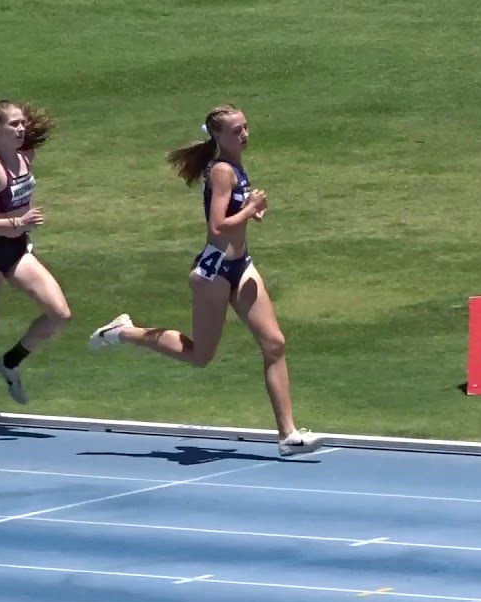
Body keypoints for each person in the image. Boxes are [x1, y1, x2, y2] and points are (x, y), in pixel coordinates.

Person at [88, 105, 321, 457]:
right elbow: (216, 227)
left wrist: (250, 212)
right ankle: (123, 332)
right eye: (235, 131)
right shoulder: (223, 171)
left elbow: (233, 216)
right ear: (217, 135)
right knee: (200, 356)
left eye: (245, 127)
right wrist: (249, 208)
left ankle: (288, 434)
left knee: (274, 343)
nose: (244, 134)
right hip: (214, 272)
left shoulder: (236, 165)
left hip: (241, 265)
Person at [0, 100, 71, 405]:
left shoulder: (27, 155)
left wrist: (19, 229)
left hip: (15, 250)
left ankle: (9, 362)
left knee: (60, 314)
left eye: (22, 123)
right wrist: (17, 221)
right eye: (14, 124)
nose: (21, 128)